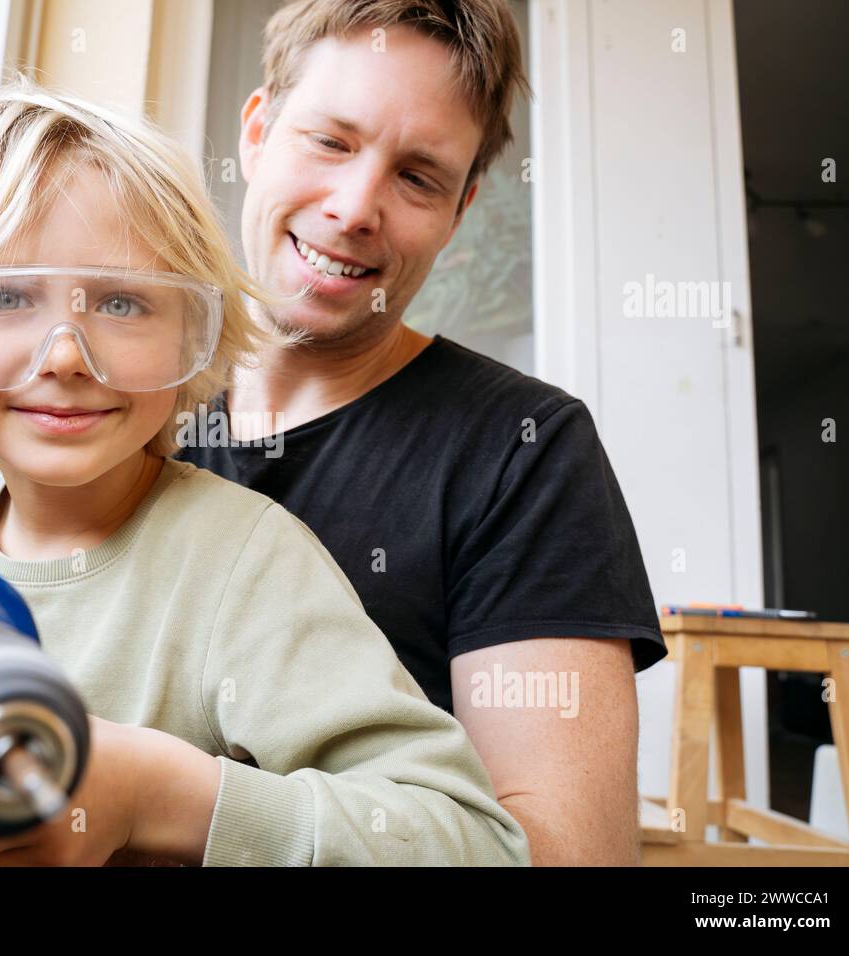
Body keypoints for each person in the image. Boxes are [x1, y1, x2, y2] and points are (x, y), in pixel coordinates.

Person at [0, 78, 529, 867]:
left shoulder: (246, 563)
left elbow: (469, 840)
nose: (63, 357)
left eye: (123, 304)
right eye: (6, 297)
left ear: (195, 340)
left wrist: (157, 798)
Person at [171, 0, 664, 865]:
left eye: (419, 176)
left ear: (461, 207)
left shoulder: (526, 450)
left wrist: (172, 808)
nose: (356, 207)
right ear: (257, 132)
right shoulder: (118, 408)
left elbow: (567, 855)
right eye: (329, 140)